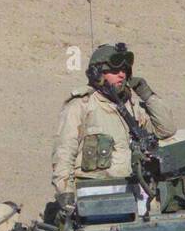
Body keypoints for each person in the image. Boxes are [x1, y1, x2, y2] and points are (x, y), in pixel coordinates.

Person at [51, 42, 175, 210]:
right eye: (115, 71)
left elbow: (166, 130)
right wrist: (65, 193)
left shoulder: (133, 106)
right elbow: (64, 154)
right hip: (96, 194)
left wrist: (147, 95)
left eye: (125, 71)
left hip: (136, 191)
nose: (121, 75)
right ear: (97, 74)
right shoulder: (82, 106)